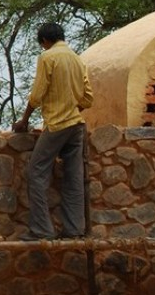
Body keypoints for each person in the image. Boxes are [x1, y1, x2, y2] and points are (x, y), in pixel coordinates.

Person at [12, 22, 94, 240]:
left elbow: (37, 94)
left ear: (45, 41)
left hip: (57, 124)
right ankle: (74, 229)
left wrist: (24, 120)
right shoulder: (77, 59)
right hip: (76, 126)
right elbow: (88, 98)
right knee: (74, 177)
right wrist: (71, 109)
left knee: (35, 172)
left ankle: (42, 230)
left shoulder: (48, 57)